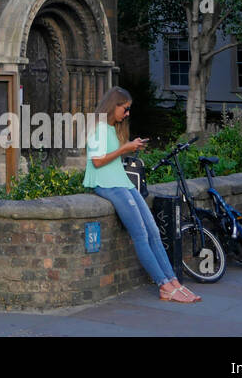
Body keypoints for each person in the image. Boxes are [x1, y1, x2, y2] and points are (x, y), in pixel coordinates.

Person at [85, 87, 201, 303]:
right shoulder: (99, 128)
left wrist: (128, 147)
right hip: (106, 185)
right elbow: (97, 161)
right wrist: (124, 148)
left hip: (122, 183)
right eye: (125, 109)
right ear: (113, 105)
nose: (127, 114)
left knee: (153, 232)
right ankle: (164, 285)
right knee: (140, 234)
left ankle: (173, 281)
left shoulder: (111, 128)